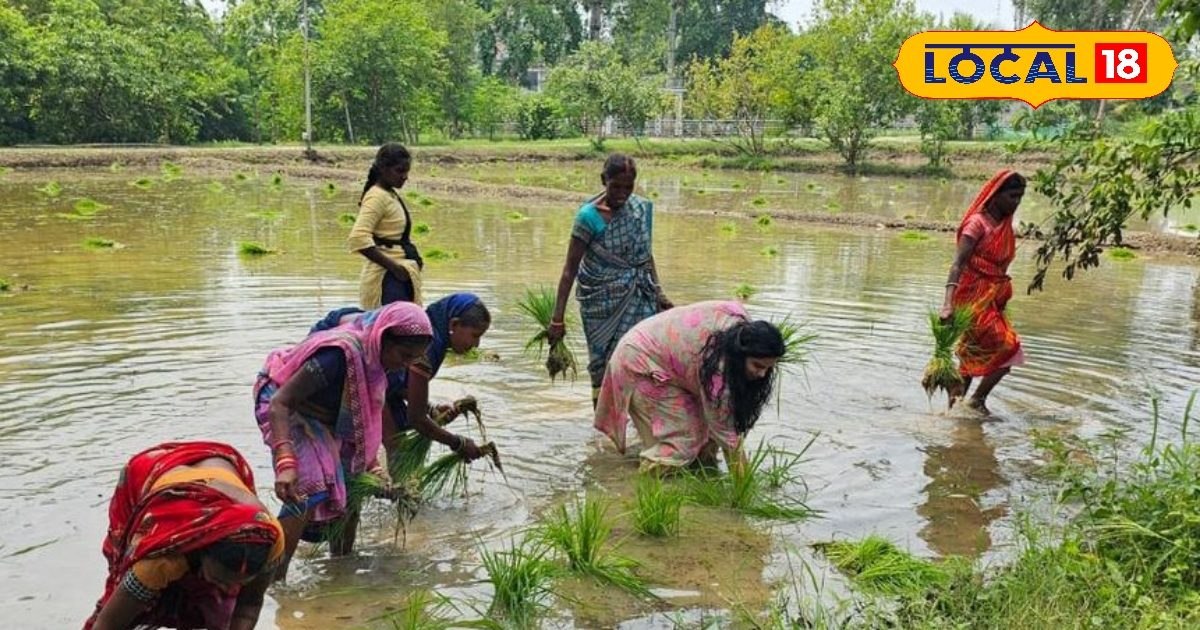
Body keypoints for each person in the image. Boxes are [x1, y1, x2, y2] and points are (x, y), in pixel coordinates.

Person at [253, 301, 432, 579]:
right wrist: (286, 461)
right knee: (309, 482)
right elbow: (281, 402)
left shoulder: (375, 364)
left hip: (328, 415)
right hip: (288, 406)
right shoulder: (338, 356)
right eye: (404, 354)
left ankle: (341, 564)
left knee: (353, 478)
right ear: (382, 336)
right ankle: (273, 579)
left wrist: (376, 473)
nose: (405, 366)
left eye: (414, 359)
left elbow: (367, 426)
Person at [84, 442, 284, 630]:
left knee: (221, 608)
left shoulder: (269, 541)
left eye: (239, 583)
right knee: (128, 603)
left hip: (219, 469)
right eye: (218, 579)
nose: (228, 589)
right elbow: (106, 625)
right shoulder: (160, 559)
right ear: (203, 552)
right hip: (146, 477)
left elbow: (249, 604)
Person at [594, 301, 785, 472]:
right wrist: (745, 492)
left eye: (769, 368)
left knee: (706, 436)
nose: (762, 374)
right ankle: (635, 484)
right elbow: (729, 441)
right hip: (641, 361)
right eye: (757, 366)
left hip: (663, 353)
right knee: (682, 444)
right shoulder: (720, 371)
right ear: (740, 353)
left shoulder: (743, 328)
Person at [308, 294, 493, 466]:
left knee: (392, 443)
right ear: (453, 325)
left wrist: (431, 408)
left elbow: (399, 383)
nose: (477, 344)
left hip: (364, 360)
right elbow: (417, 418)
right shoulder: (424, 347)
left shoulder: (429, 338)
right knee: (394, 448)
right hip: (336, 351)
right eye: (475, 335)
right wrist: (458, 443)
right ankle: (395, 494)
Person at [548, 153, 672, 407]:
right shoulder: (588, 217)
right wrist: (557, 318)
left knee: (640, 357)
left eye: (628, 187)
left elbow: (645, 256)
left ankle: (639, 418)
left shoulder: (639, 209)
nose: (622, 193)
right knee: (602, 363)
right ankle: (603, 426)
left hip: (639, 296)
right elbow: (569, 270)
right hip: (600, 302)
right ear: (604, 180)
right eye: (616, 186)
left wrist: (659, 293)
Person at [938, 170, 1026, 414]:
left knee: (970, 356)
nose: (1016, 202)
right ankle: (976, 400)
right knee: (1010, 348)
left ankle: (955, 410)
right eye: (1012, 196)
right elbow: (957, 264)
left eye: (1020, 197)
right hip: (971, 299)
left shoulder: (1004, 225)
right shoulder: (977, 224)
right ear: (996, 195)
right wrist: (947, 305)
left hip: (992, 299)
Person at [348, 143, 424, 308]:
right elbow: (358, 238)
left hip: (396, 277)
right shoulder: (377, 197)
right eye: (399, 171)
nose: (404, 176)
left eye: (407, 171)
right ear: (383, 169)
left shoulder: (389, 194)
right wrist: (395, 269)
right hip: (386, 281)